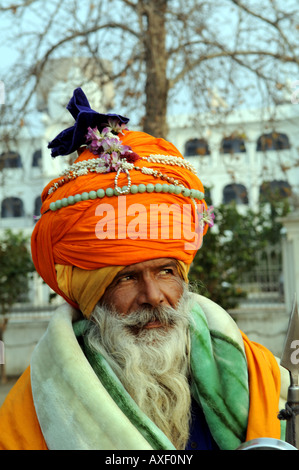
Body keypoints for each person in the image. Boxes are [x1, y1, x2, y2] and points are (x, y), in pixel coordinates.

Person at [0, 88, 288, 451]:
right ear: (92, 294)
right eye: (126, 277)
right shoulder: (32, 411)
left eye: (166, 271)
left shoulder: (254, 371)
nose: (154, 296)